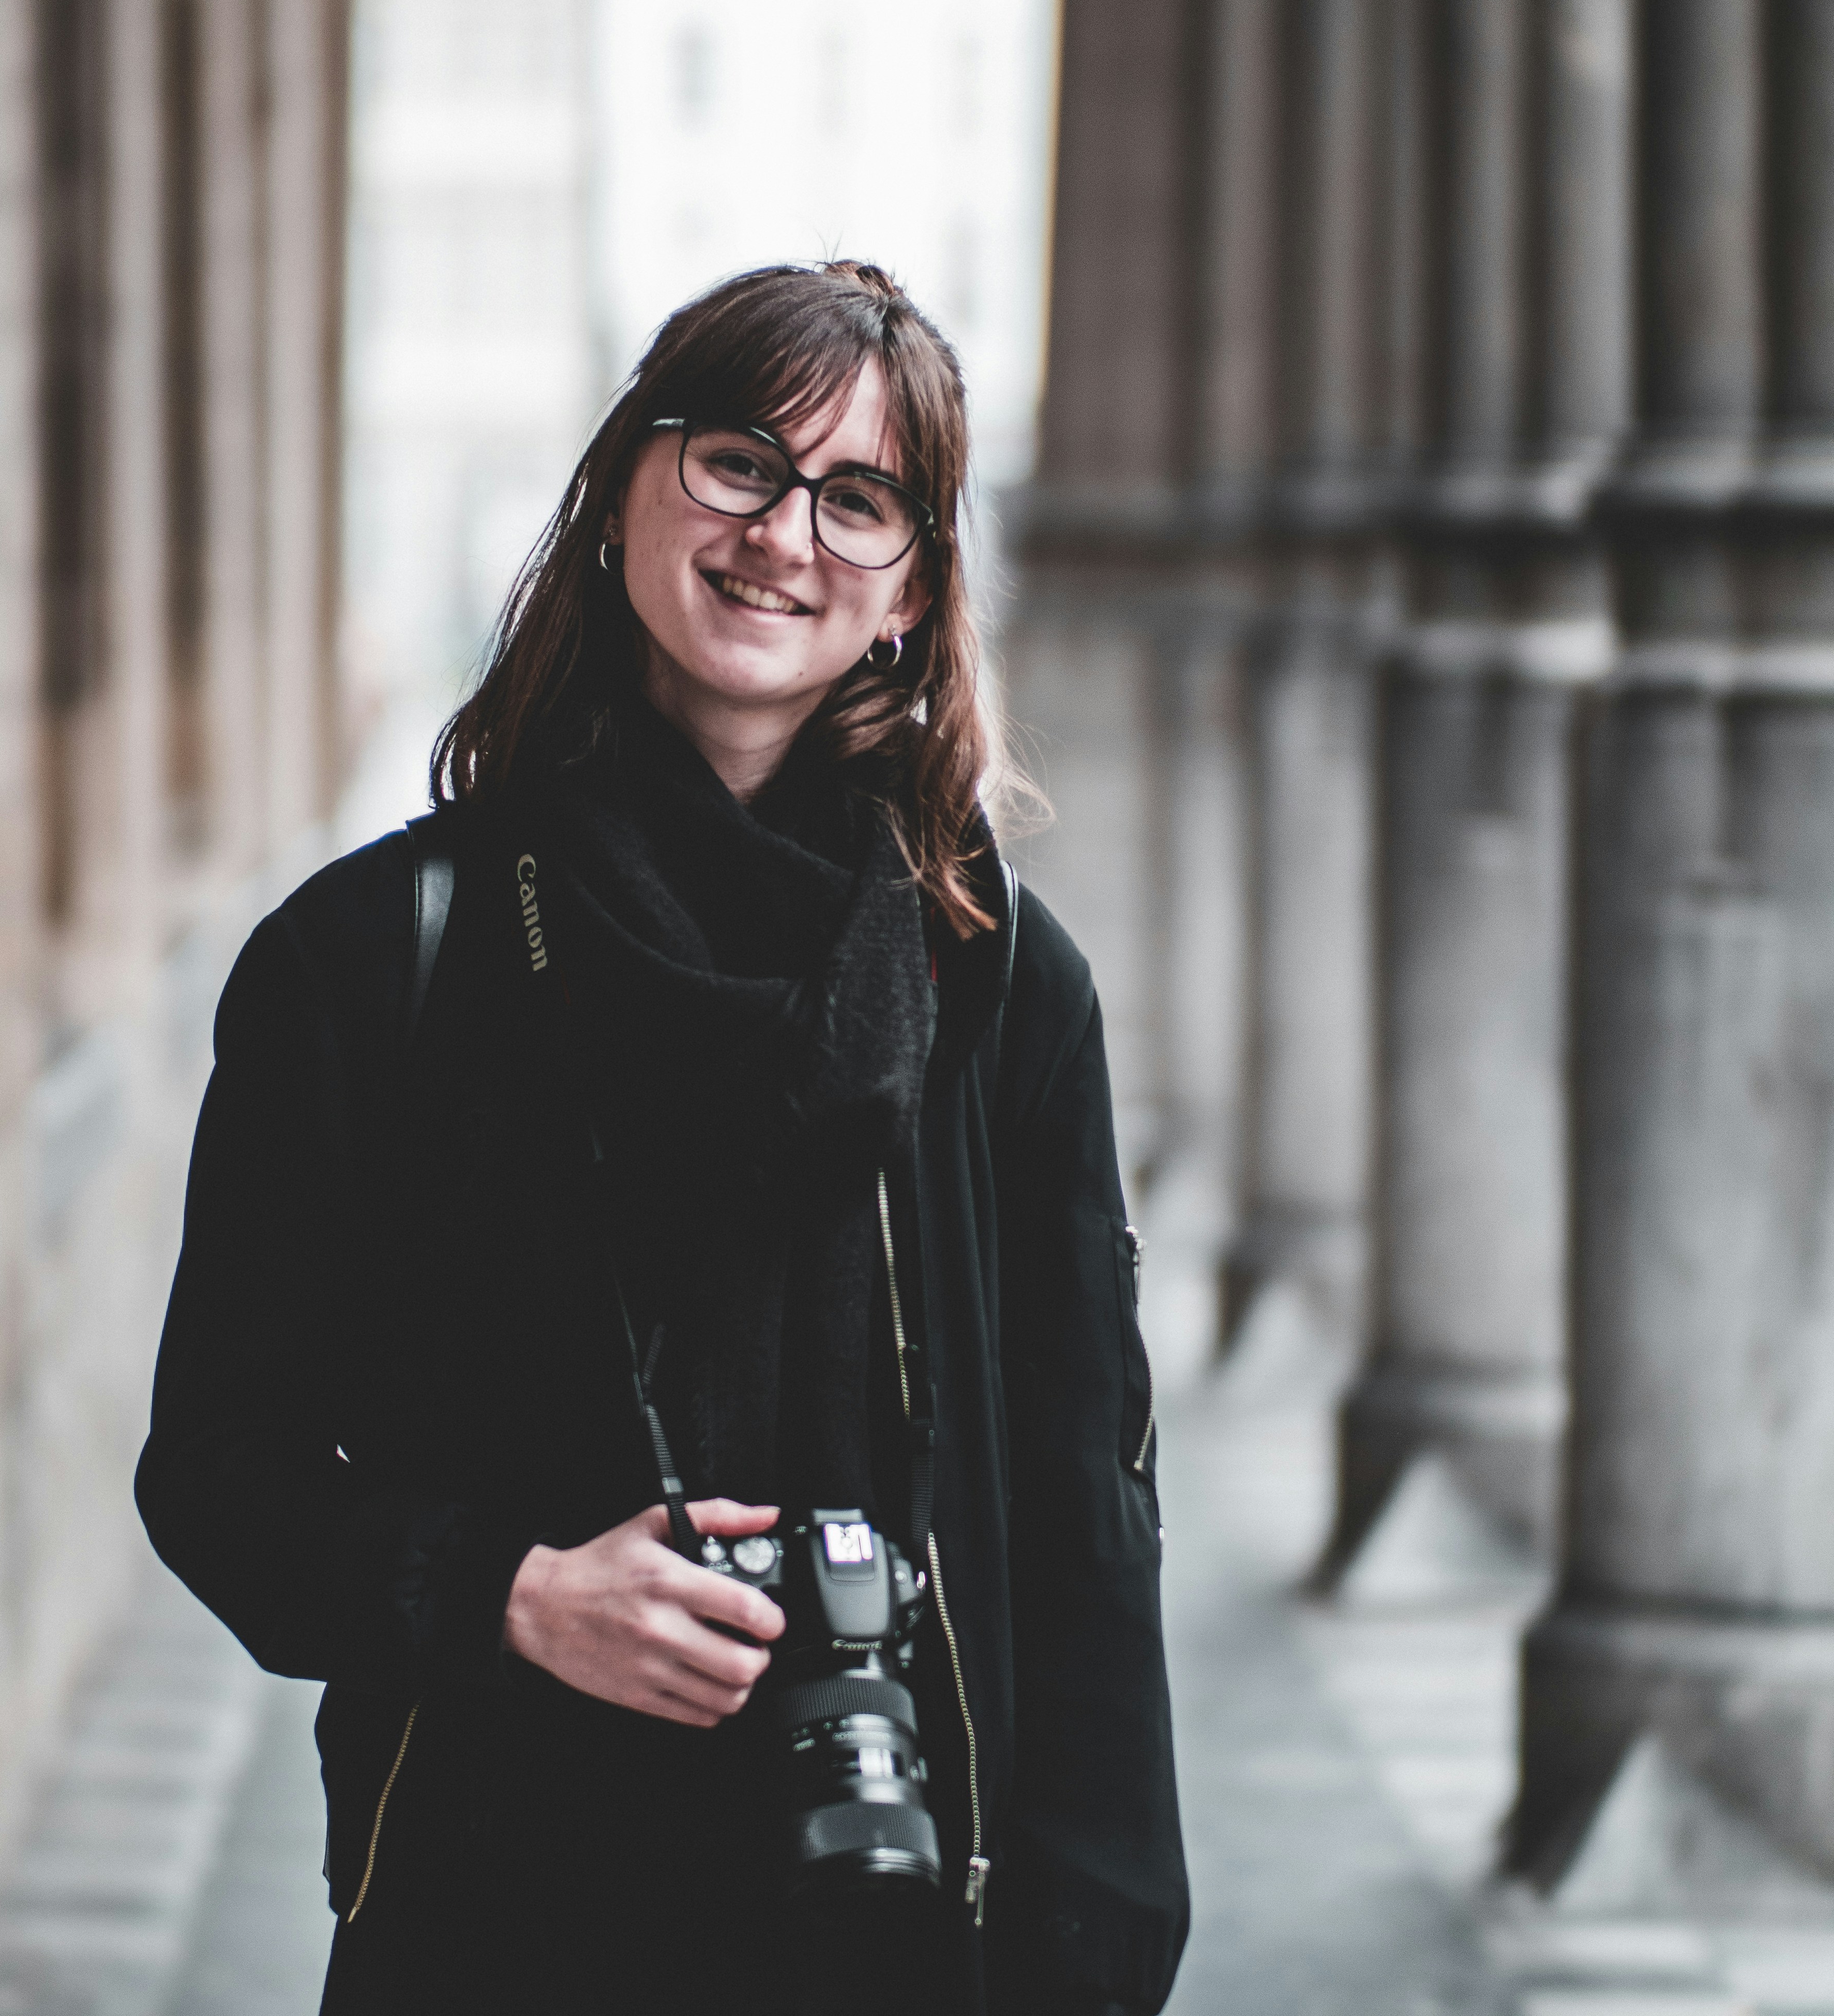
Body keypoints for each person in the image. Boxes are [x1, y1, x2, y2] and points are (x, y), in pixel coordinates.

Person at [136, 261, 1187, 2015]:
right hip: (492, 1914)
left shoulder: (1000, 989)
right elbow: (215, 1469)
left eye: (860, 500)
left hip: (903, 1921)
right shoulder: (369, 966)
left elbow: (1087, 1528)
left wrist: (1093, 1956)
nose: (786, 535)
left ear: (913, 592)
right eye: (739, 465)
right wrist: (510, 1594)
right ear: (624, 485)